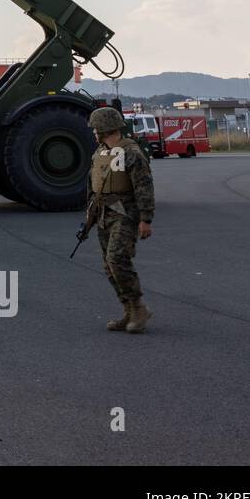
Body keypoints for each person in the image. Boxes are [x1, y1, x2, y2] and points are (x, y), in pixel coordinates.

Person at [87, 107, 155, 333]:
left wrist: (145, 219)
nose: (94, 132)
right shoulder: (100, 153)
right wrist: (90, 216)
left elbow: (144, 186)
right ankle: (129, 311)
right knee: (109, 266)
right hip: (104, 215)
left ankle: (138, 309)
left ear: (105, 127)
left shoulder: (131, 152)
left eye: (96, 128)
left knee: (117, 260)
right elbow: (93, 186)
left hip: (125, 214)